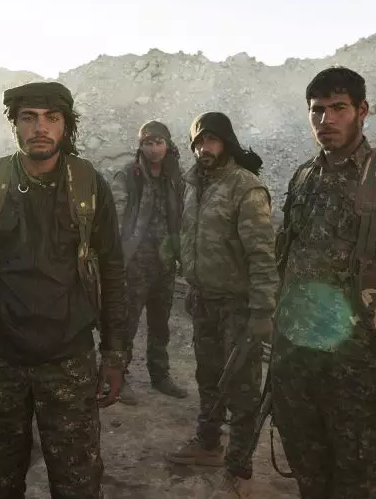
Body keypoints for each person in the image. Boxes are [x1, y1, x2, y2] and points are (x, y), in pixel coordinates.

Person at [0, 81, 128, 498]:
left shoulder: (88, 184)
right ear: (14, 125)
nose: (40, 128)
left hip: (68, 360)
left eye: (51, 118)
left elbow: (113, 271)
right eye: (29, 118)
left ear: (66, 126)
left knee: (77, 482)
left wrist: (115, 355)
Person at [271, 67, 376, 499]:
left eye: (338, 109)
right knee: (308, 471)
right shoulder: (303, 179)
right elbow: (288, 265)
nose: (325, 120)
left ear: (361, 111)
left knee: (354, 478)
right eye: (316, 111)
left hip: (359, 368)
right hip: (298, 364)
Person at [165, 112, 278, 499]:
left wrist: (263, 312)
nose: (202, 148)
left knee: (243, 389)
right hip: (204, 300)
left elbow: (262, 256)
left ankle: (239, 467)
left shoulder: (245, 188)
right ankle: (208, 443)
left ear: (226, 142)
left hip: (239, 306)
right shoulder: (193, 185)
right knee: (208, 376)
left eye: (210, 140)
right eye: (197, 142)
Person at [111, 120, 187, 405]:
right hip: (135, 263)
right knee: (126, 324)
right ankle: (118, 377)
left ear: (168, 145)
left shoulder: (175, 176)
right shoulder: (128, 176)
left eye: (158, 142)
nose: (153, 149)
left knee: (160, 323)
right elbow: (116, 220)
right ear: (140, 145)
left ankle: (160, 375)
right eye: (147, 143)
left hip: (165, 262)